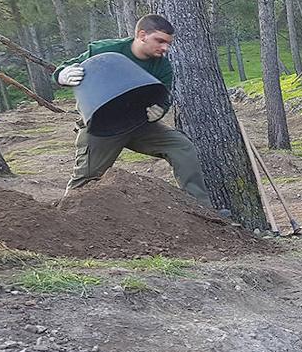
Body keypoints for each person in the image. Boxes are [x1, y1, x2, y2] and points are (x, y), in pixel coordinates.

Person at [53, 14, 213, 208]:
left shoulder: (162, 67)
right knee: (85, 179)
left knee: (182, 147)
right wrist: (62, 75)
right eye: (160, 41)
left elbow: (163, 98)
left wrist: (159, 110)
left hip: (139, 124)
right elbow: (67, 67)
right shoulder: (105, 51)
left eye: (168, 43)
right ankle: (65, 215)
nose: (165, 48)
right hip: (102, 125)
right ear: (142, 35)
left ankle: (201, 208)